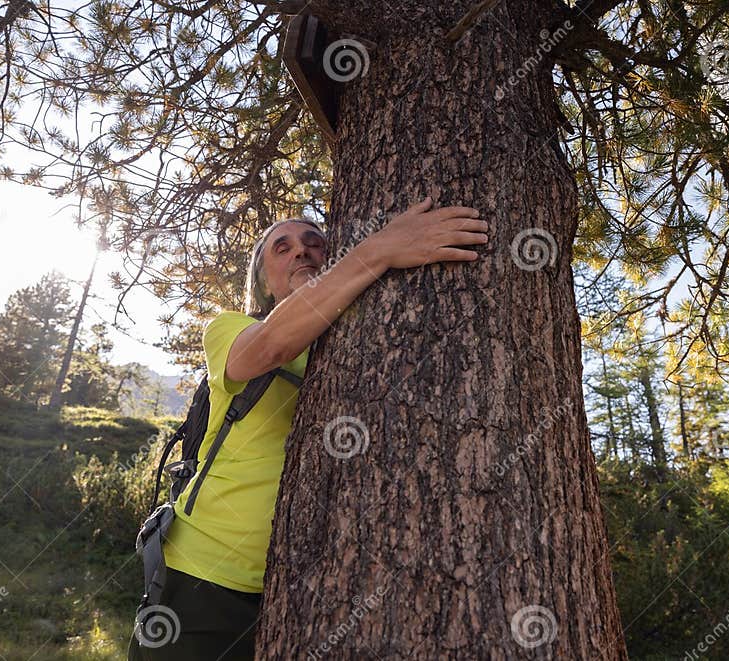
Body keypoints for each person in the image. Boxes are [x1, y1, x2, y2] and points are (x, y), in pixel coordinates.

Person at [127, 196, 488, 660]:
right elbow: (270, 348)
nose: (301, 251)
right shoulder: (230, 329)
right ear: (261, 282)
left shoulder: (357, 338)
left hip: (308, 596)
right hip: (200, 579)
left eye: (315, 243)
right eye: (282, 248)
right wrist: (379, 251)